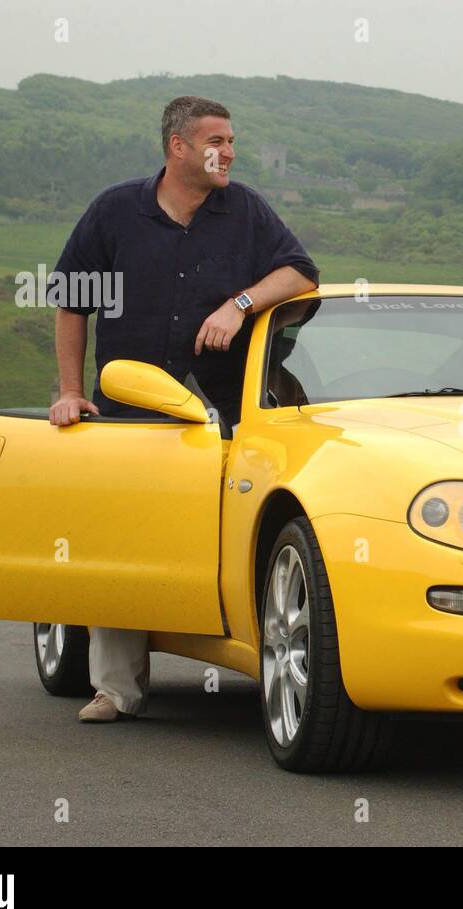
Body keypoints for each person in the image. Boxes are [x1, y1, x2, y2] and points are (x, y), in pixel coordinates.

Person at [47, 95, 321, 722]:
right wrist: (69, 391)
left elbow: (300, 274)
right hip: (132, 412)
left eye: (231, 141)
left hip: (222, 417)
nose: (228, 152)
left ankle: (241, 650)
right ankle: (115, 689)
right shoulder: (115, 211)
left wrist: (240, 304)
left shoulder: (245, 209)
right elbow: (69, 300)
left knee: (214, 536)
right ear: (177, 146)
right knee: (120, 541)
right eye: (216, 141)